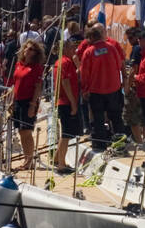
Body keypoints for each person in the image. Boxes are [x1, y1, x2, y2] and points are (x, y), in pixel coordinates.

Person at [80, 24, 126, 150]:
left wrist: (84, 89)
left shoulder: (88, 52)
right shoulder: (111, 48)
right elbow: (119, 65)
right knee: (116, 118)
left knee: (98, 118)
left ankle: (99, 144)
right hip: (113, 88)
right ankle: (120, 144)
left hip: (96, 90)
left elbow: (85, 74)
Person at [11, 39, 45, 169]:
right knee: (21, 131)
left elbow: (38, 87)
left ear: (36, 53)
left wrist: (32, 105)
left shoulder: (36, 68)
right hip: (18, 101)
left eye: (31, 49)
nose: (27, 50)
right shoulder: (19, 64)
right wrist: (12, 101)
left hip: (28, 101)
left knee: (26, 131)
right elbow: (15, 84)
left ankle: (29, 160)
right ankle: (27, 158)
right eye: (26, 48)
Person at [52, 37, 81, 173]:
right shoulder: (66, 62)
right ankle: (62, 165)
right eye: (72, 48)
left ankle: (57, 159)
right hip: (66, 102)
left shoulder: (60, 62)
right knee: (67, 134)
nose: (74, 50)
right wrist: (73, 103)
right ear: (66, 49)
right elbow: (65, 82)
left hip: (62, 101)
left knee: (66, 133)